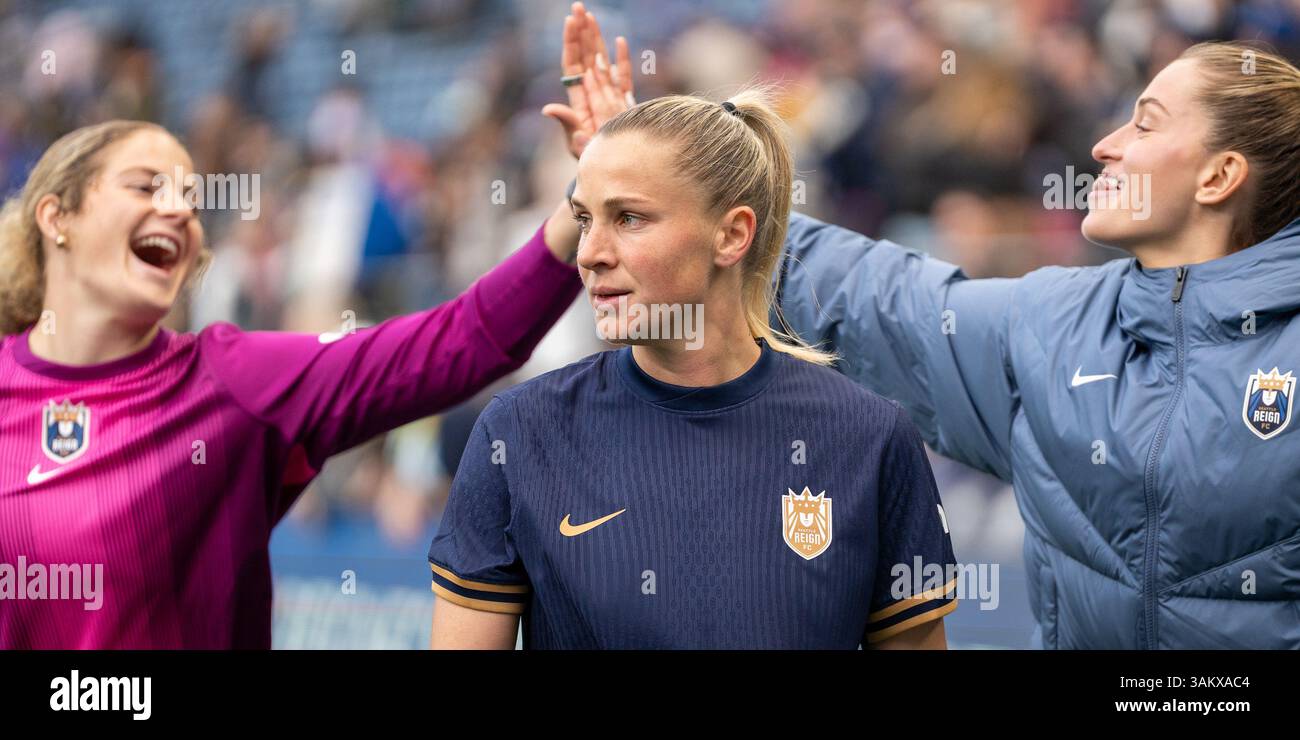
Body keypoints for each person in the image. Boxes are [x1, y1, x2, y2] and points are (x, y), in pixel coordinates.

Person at [555, 17, 1300, 648]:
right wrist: (666, 172)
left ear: (1218, 177)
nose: (1105, 145)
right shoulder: (1053, 326)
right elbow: (870, 294)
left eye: (1145, 123)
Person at [0, 119, 583, 648]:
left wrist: (582, 203)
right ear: (57, 217)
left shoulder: (232, 382)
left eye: (190, 200)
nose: (179, 211)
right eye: (146, 187)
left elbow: (460, 340)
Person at [427, 89, 956, 650]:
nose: (589, 253)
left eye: (628, 218)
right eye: (584, 219)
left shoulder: (869, 437)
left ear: (731, 235)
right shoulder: (519, 431)